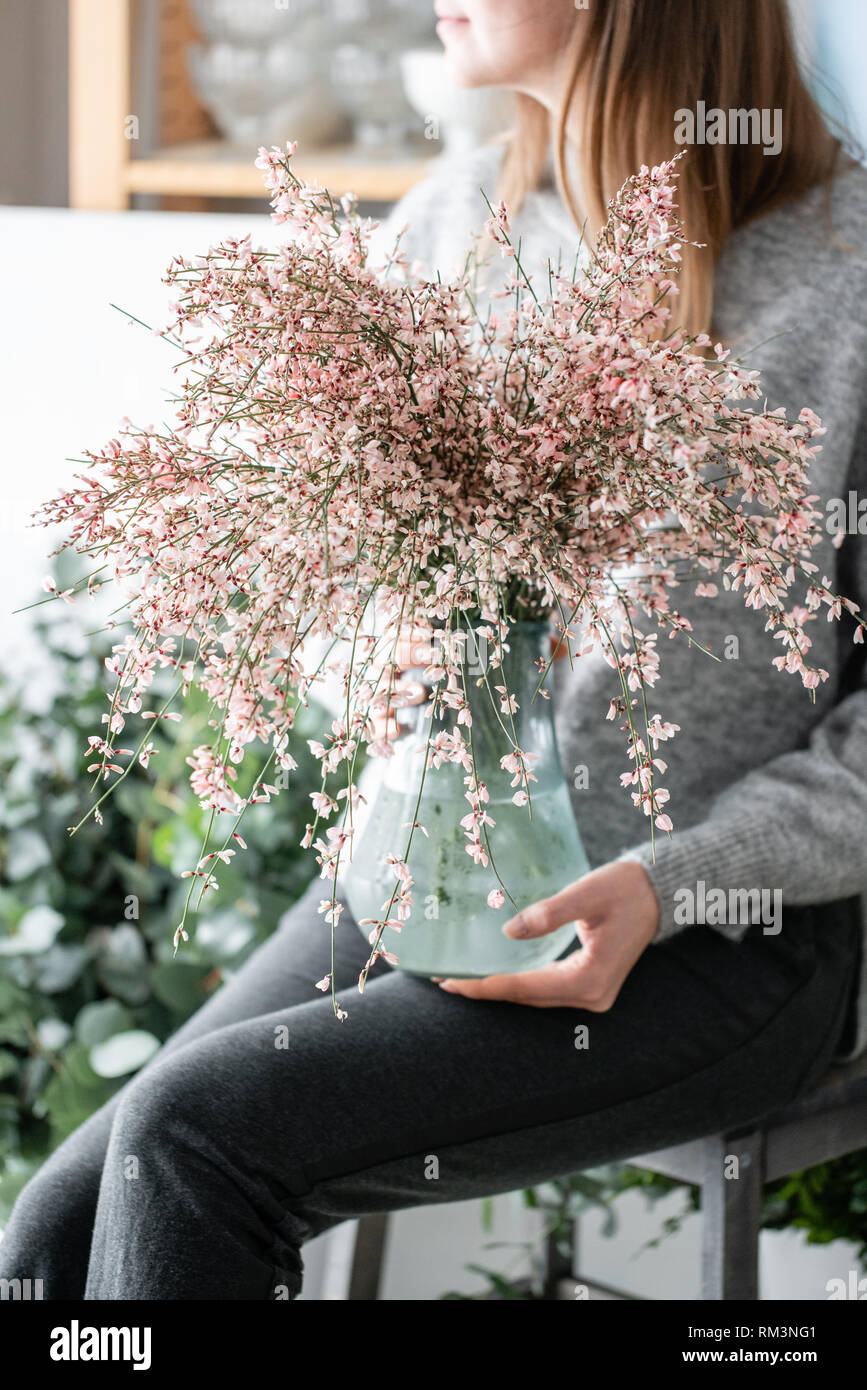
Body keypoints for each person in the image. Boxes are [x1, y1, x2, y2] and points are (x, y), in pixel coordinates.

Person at [2, 0, 866, 1300]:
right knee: (51, 1233)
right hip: (437, 868)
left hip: (732, 937)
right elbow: (353, 601)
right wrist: (386, 660)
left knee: (194, 1138)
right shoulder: (455, 228)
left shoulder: (846, 276)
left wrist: (674, 879)